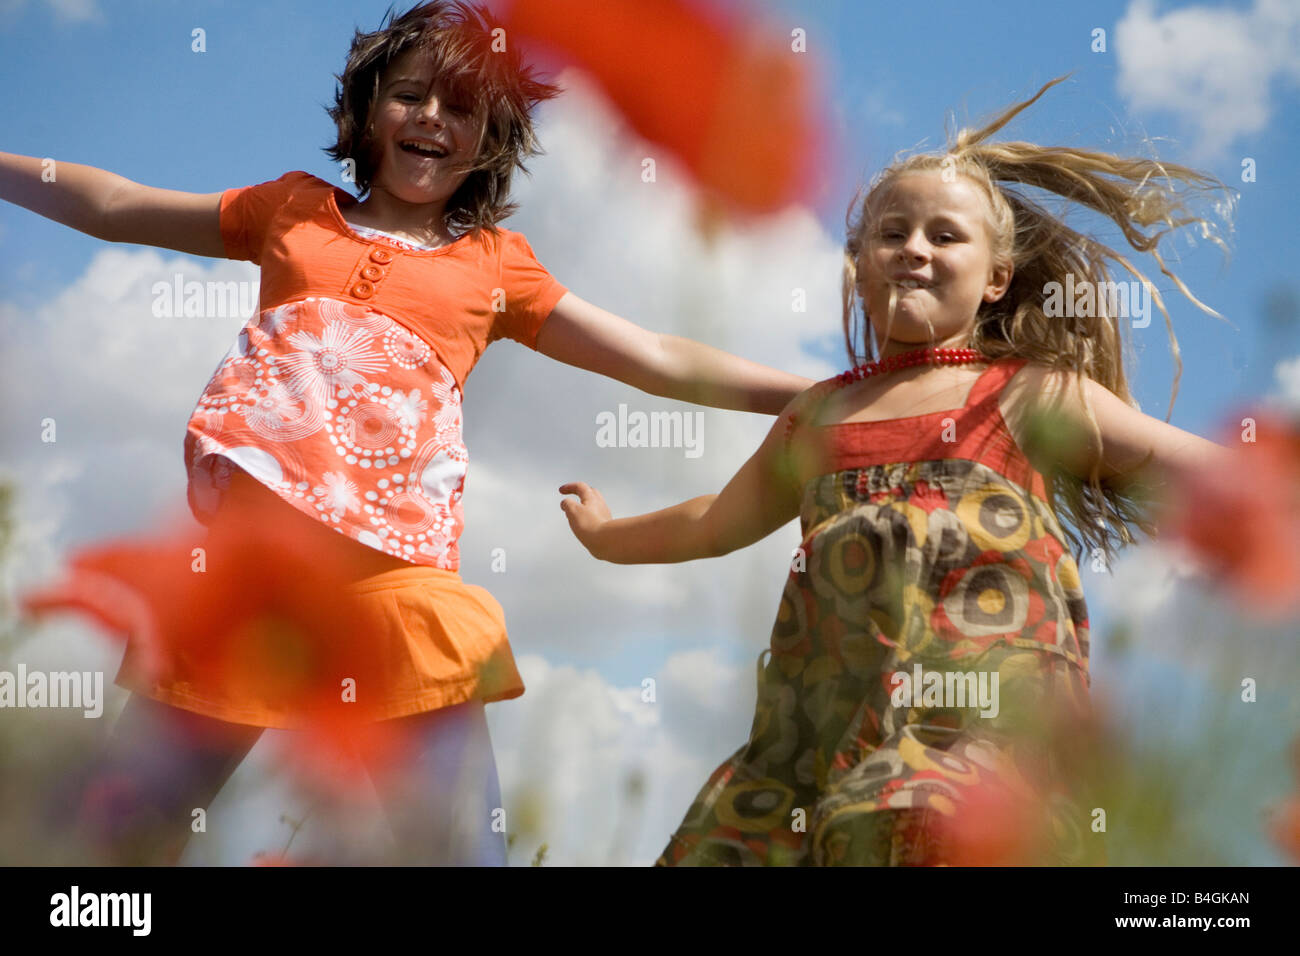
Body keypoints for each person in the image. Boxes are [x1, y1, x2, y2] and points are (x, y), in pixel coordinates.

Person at [1, 1, 811, 865]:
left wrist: (817, 390)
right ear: (364, 112)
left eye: (460, 106)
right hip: (253, 584)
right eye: (411, 95)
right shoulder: (290, 210)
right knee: (103, 849)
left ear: (490, 139)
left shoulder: (497, 267)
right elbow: (118, 203)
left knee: (454, 851)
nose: (432, 116)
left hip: (401, 590)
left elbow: (650, 354)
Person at [559, 75, 1236, 865]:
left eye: (944, 236)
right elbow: (715, 523)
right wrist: (608, 538)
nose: (914, 248)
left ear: (996, 279)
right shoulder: (815, 416)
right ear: (860, 262)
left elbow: (1204, 469)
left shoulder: (1030, 394)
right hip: (828, 735)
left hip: (980, 729)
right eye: (892, 233)